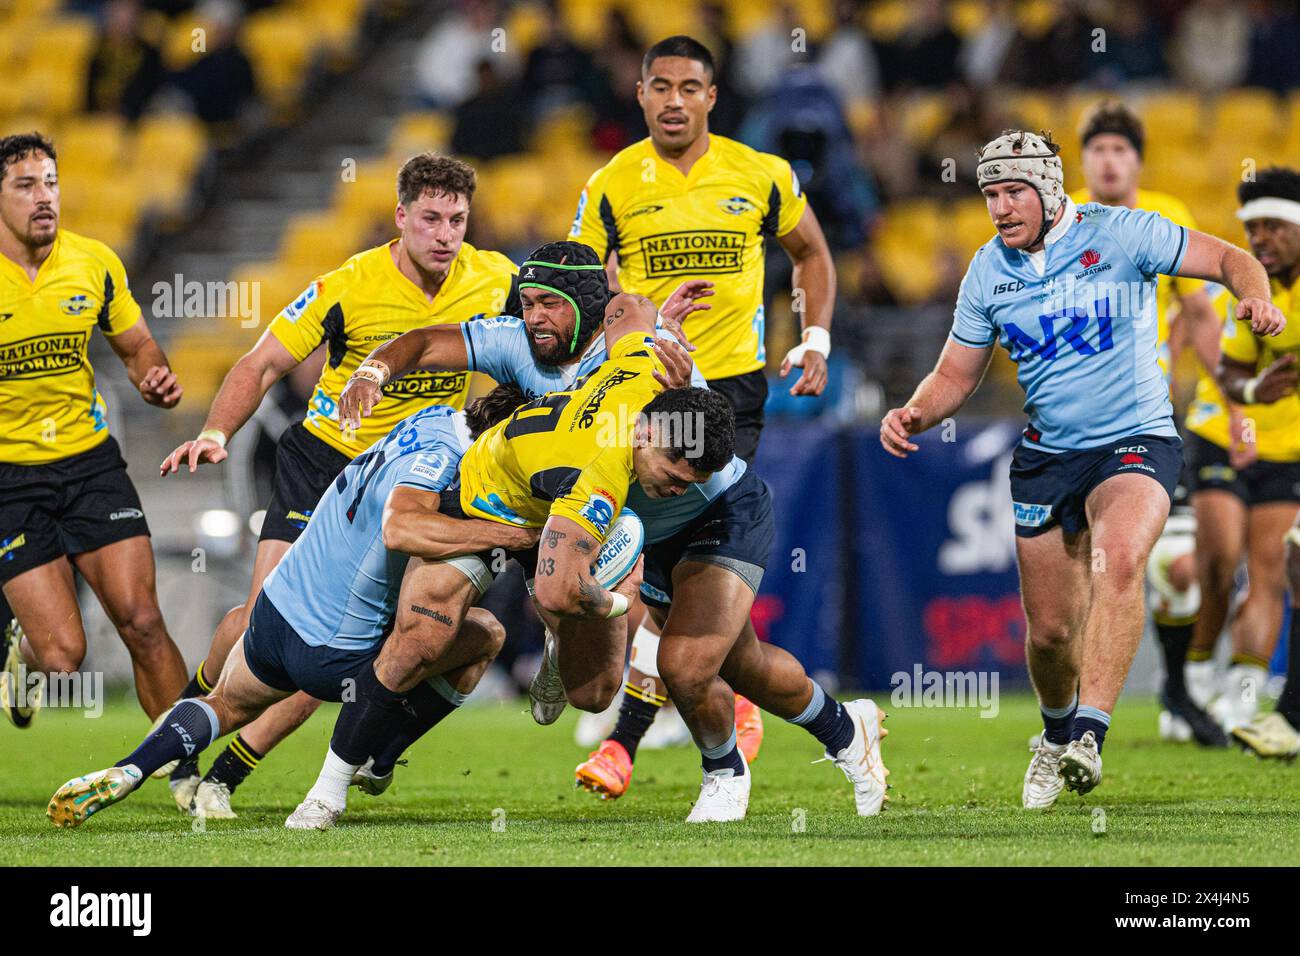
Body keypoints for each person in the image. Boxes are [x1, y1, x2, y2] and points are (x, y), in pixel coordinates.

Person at [880, 130, 1285, 808]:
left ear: (1047, 188)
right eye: (989, 195)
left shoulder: (1126, 233)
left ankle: (1089, 736)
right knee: (1050, 632)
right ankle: (1056, 730)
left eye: (1013, 192)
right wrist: (915, 412)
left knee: (1121, 558)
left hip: (1136, 439)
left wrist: (1258, 297)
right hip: (1048, 455)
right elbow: (957, 372)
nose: (1001, 208)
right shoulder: (988, 269)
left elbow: (1230, 258)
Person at [155, 153, 518, 817]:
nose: (445, 233)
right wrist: (215, 432)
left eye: (457, 220)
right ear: (401, 217)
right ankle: (189, 733)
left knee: (364, 646)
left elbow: (563, 321)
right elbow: (263, 361)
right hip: (325, 467)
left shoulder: (497, 279)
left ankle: (235, 774)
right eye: (431, 218)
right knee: (261, 627)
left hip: (415, 480)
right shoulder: (350, 284)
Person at [47, 386, 537, 828]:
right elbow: (401, 528)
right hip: (333, 649)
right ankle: (380, 757)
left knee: (222, 703)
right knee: (485, 633)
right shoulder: (441, 458)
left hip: (277, 611)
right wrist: (511, 535)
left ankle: (131, 767)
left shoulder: (430, 419)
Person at [566, 33, 838, 792]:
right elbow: (590, 292)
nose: (675, 100)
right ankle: (745, 700)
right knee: (674, 575)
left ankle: (622, 740)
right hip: (646, 389)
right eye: (661, 86)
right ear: (642, 94)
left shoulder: (760, 174)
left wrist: (814, 336)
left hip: (727, 400)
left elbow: (811, 253)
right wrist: (634, 338)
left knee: (675, 570)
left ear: (712, 97)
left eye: (690, 87)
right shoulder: (613, 183)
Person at [0, 132, 187, 730]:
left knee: (143, 620)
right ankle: (22, 660)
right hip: (10, 480)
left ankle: (186, 766)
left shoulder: (93, 262)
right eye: (26, 185)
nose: (44, 197)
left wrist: (152, 375)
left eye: (51, 183)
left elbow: (135, 346)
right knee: (63, 658)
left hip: (89, 465)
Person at [1070, 101, 1227, 746]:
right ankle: (1072, 717)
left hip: (1148, 420)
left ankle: (1180, 689)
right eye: (1099, 150)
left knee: (1178, 565)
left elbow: (1199, 307)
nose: (1109, 160)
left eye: (1120, 150)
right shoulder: (1063, 217)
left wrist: (1230, 393)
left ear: (1136, 160)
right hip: (1073, 423)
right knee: (1078, 570)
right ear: (1085, 162)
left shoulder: (1166, 216)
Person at [1191, 168, 1300, 753]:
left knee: (1271, 570)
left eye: (1274, 226)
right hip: (1229, 436)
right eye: (1252, 228)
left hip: (1288, 451)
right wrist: (1258, 394)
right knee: (1220, 558)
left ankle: (1243, 692)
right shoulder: (1251, 288)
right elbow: (1231, 374)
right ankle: (1199, 670)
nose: (1260, 239)